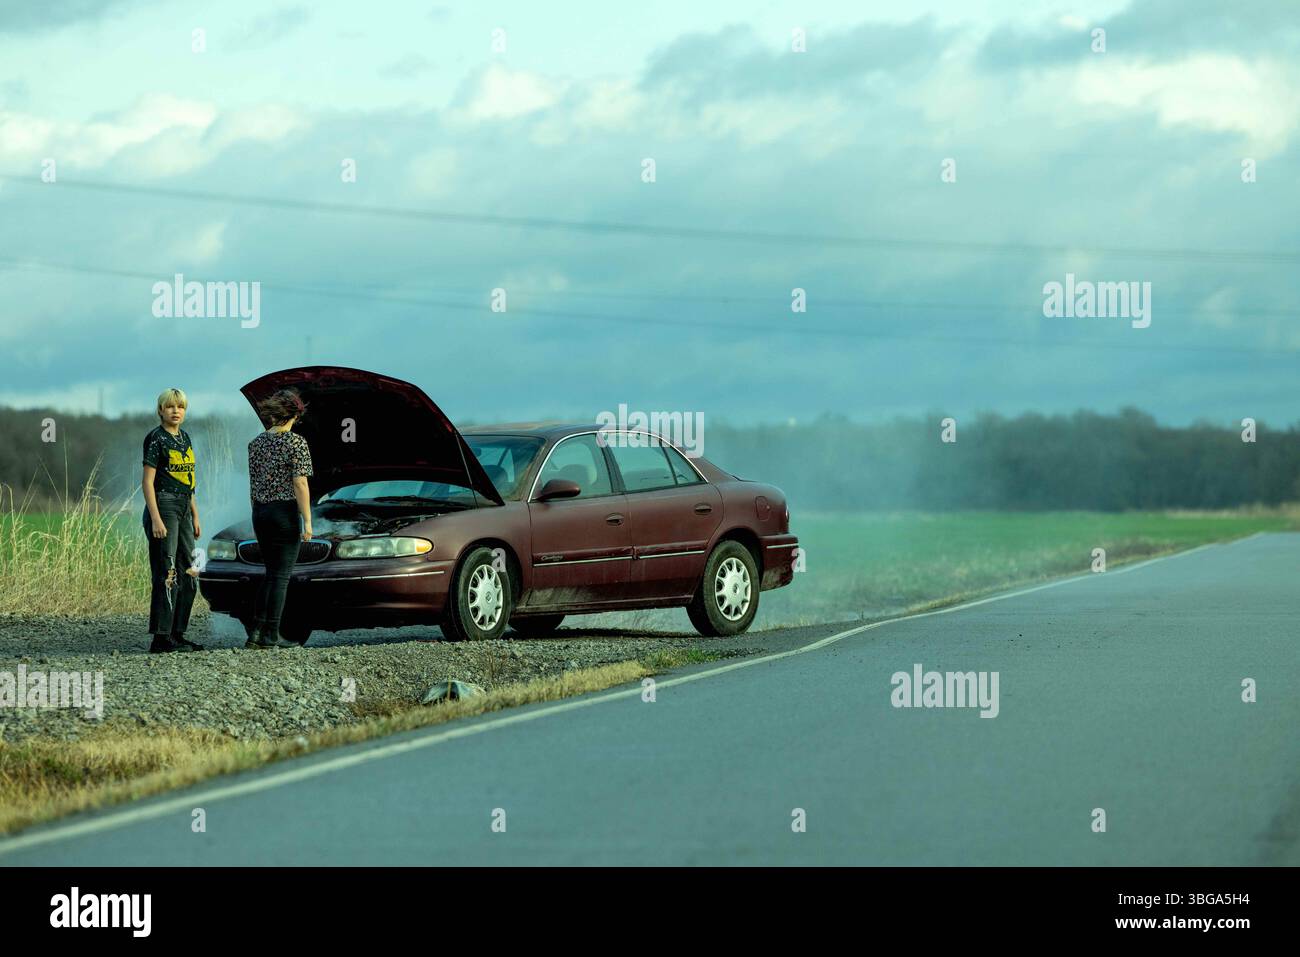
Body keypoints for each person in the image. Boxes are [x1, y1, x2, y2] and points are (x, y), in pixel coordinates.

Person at [246, 388, 314, 649]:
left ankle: (255, 633)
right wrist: (307, 520)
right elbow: (300, 483)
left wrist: (257, 511)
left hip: (260, 511)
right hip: (284, 512)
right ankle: (272, 635)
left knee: (269, 573)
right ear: (295, 415)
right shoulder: (296, 442)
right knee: (281, 576)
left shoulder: (256, 443)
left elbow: (253, 485)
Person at [141, 387, 204, 653]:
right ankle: (161, 637)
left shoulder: (185, 438)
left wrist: (195, 513)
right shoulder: (156, 439)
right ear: (160, 411)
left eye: (180, 407)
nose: (175, 411)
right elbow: (147, 482)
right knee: (167, 571)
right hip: (163, 505)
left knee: (191, 570)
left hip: (184, 507)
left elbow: (188, 480)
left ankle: (178, 633)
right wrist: (155, 518)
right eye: (170, 407)